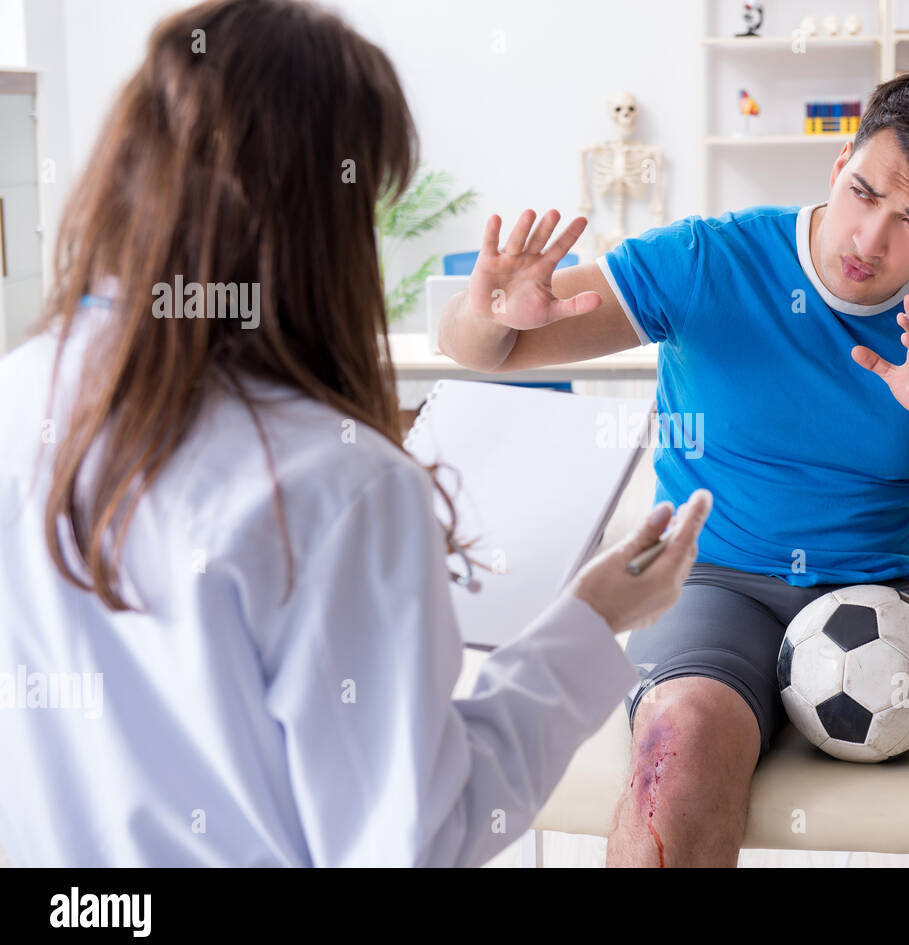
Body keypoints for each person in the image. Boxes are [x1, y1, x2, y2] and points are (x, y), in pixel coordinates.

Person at [0, 0, 712, 868]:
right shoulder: (335, 486)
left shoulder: (19, 391)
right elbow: (414, 839)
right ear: (318, 217)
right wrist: (593, 618)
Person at [439, 71, 909, 867]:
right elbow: (485, 351)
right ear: (839, 162)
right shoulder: (709, 259)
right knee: (678, 754)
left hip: (895, 598)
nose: (869, 238)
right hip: (709, 582)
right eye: (863, 192)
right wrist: (486, 315)